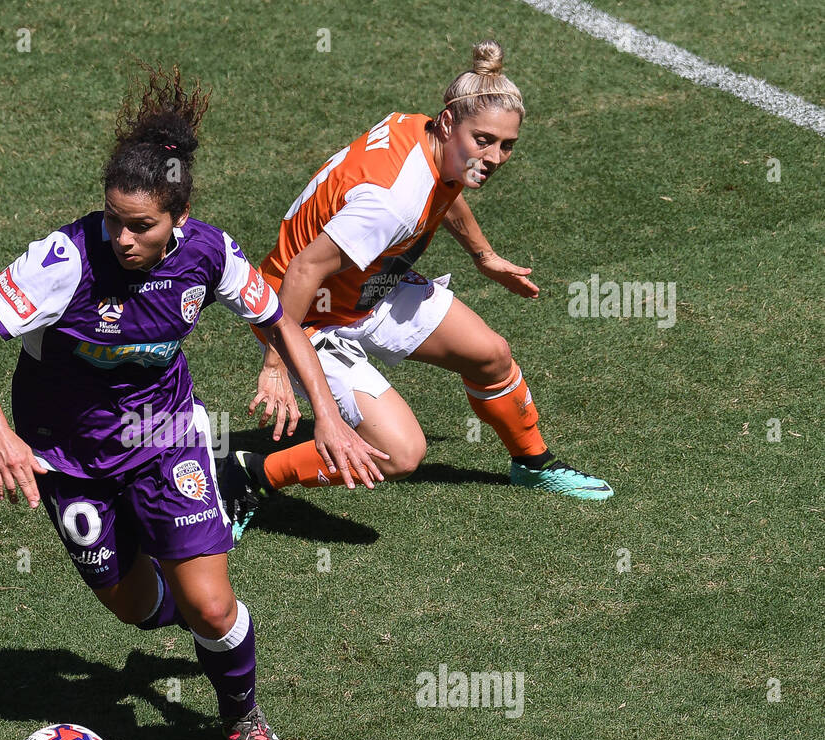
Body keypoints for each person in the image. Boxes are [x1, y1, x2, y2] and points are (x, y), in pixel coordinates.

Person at [0, 65, 385, 740]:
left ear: (177, 218)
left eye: (141, 225)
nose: (122, 237)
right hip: (67, 455)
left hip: (163, 438)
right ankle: (189, 585)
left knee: (212, 608)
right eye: (114, 219)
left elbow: (279, 320)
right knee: (137, 611)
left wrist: (327, 417)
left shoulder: (208, 254)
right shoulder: (62, 261)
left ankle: (240, 714)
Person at [221, 40, 613, 539]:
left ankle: (533, 463)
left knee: (490, 355)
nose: (493, 157)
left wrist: (483, 256)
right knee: (402, 454)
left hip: (370, 283)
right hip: (305, 313)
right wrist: (277, 362)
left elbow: (443, 189)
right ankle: (249, 473)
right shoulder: (390, 202)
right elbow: (301, 271)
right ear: (450, 123)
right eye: (484, 140)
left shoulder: (424, 134)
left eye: (506, 145)